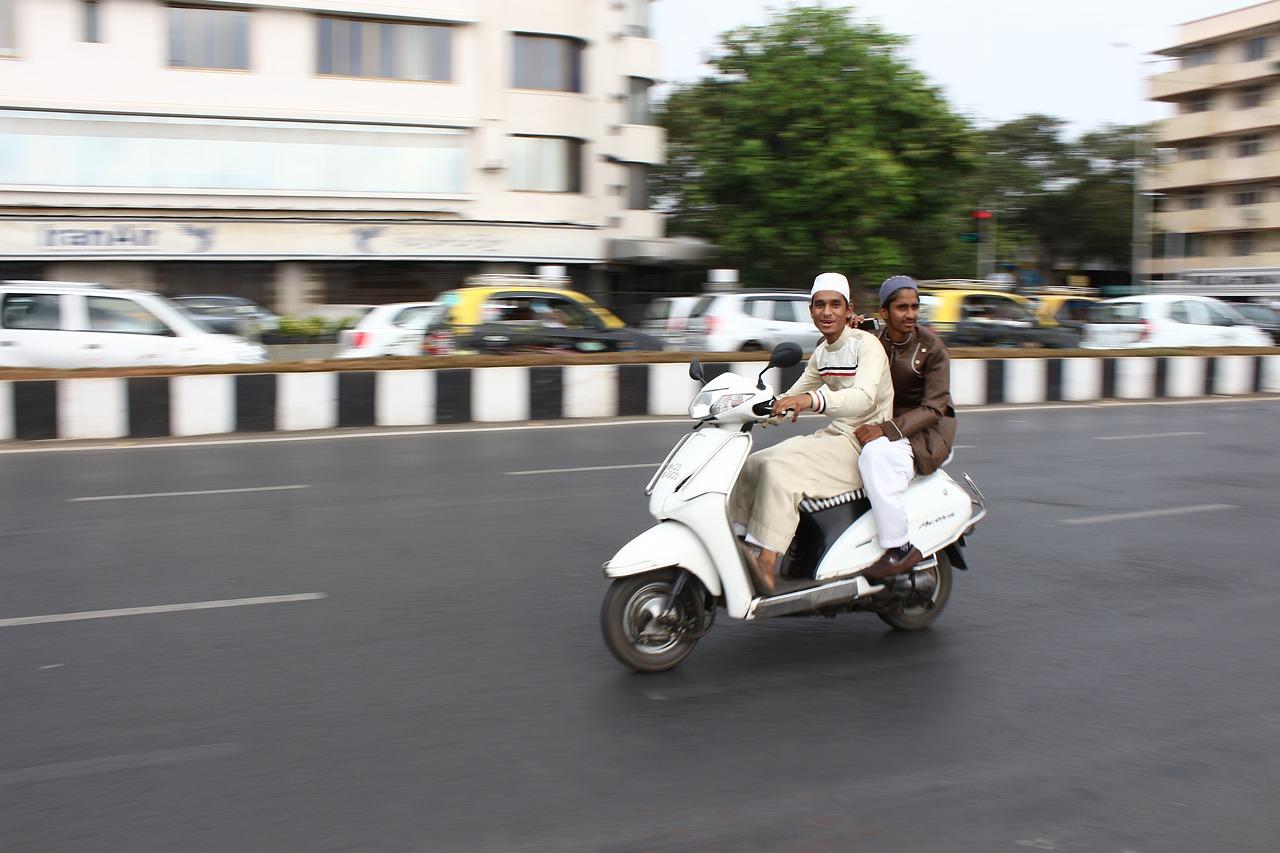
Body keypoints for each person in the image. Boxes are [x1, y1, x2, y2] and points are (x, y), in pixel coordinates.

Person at [728, 272, 893, 595]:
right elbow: (792, 396)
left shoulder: (867, 346)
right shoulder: (823, 353)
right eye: (820, 305)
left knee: (780, 473)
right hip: (835, 436)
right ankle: (739, 544)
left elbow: (862, 398)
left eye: (835, 304)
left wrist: (810, 401)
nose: (827, 312)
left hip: (865, 442)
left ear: (849, 310)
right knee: (753, 463)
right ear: (811, 311)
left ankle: (767, 562)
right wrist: (749, 412)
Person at [855, 275, 957, 581]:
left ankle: (899, 548)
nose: (911, 314)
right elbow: (827, 358)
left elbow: (934, 408)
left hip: (925, 432)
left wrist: (886, 430)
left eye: (914, 307)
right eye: (902, 307)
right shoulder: (873, 339)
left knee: (875, 457)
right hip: (883, 423)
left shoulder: (932, 348)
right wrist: (847, 334)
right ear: (884, 312)